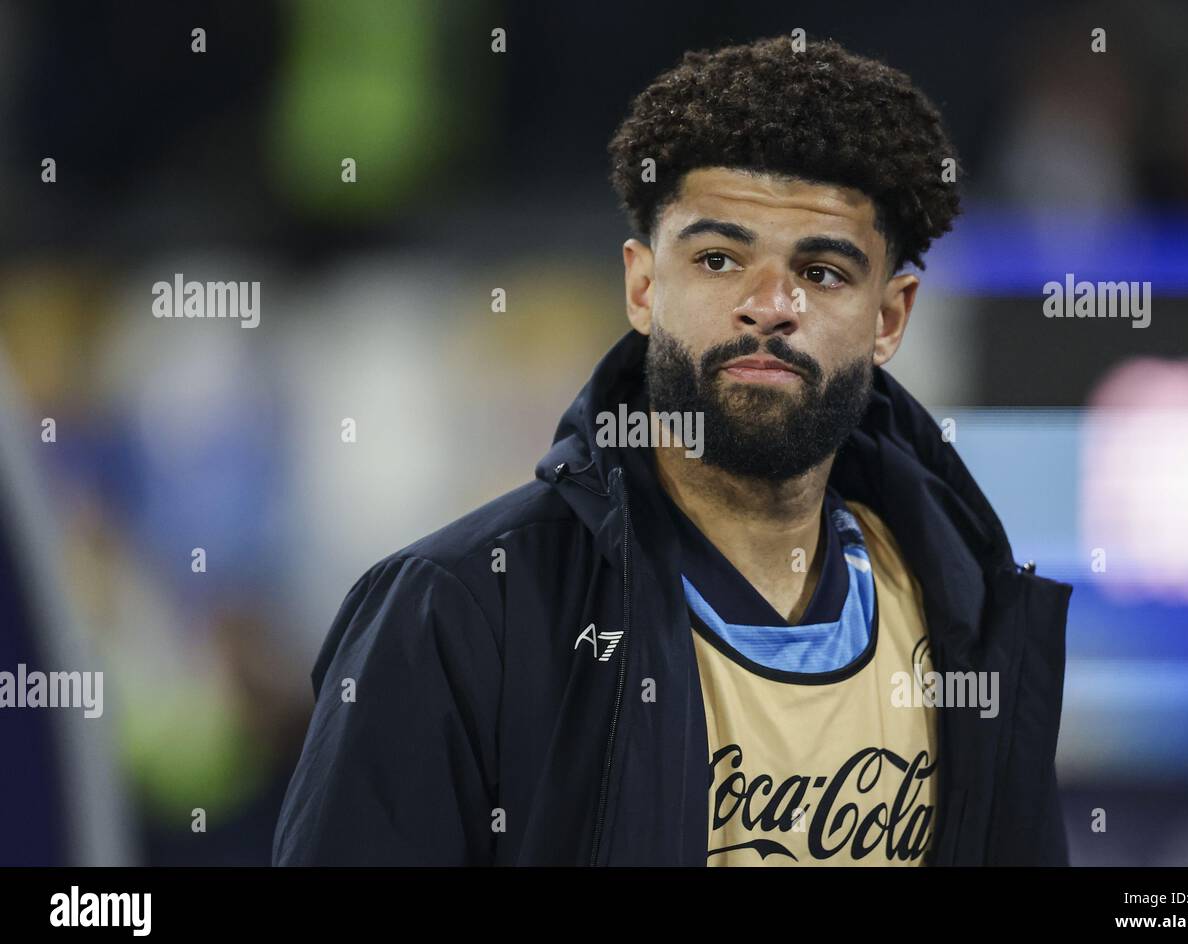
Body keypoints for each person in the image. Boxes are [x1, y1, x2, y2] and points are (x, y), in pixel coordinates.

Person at [273, 34, 1072, 866]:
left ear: (890, 318)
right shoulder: (457, 610)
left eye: (825, 271)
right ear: (643, 286)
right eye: (720, 259)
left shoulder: (968, 616)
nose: (770, 304)